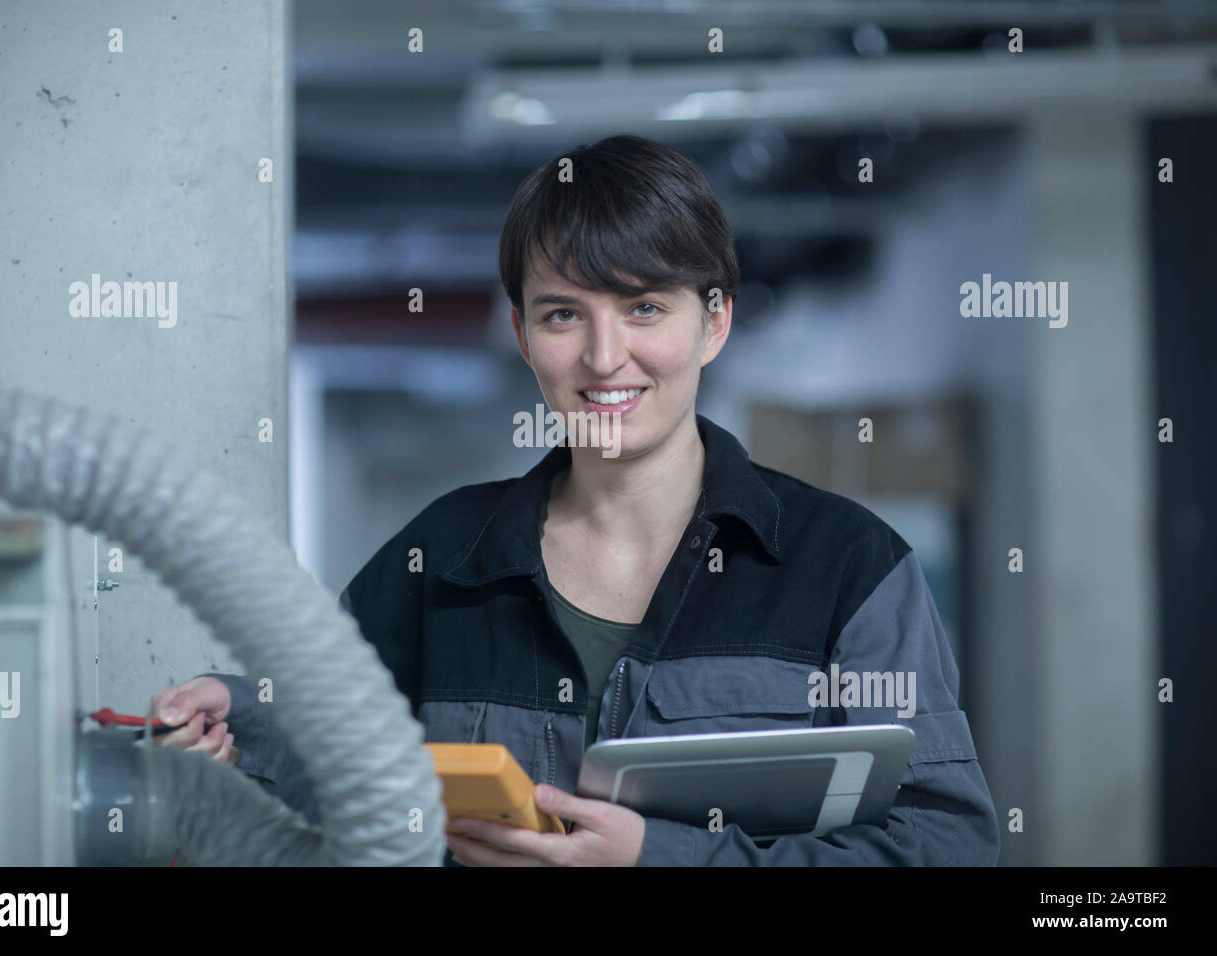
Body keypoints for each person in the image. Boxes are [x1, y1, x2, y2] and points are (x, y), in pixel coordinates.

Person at [150, 134, 1001, 866]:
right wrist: (241, 720)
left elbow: (944, 844)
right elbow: (341, 755)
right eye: (563, 315)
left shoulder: (850, 567)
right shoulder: (441, 556)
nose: (604, 357)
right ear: (522, 335)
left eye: (644, 308)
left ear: (713, 323)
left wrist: (656, 856)